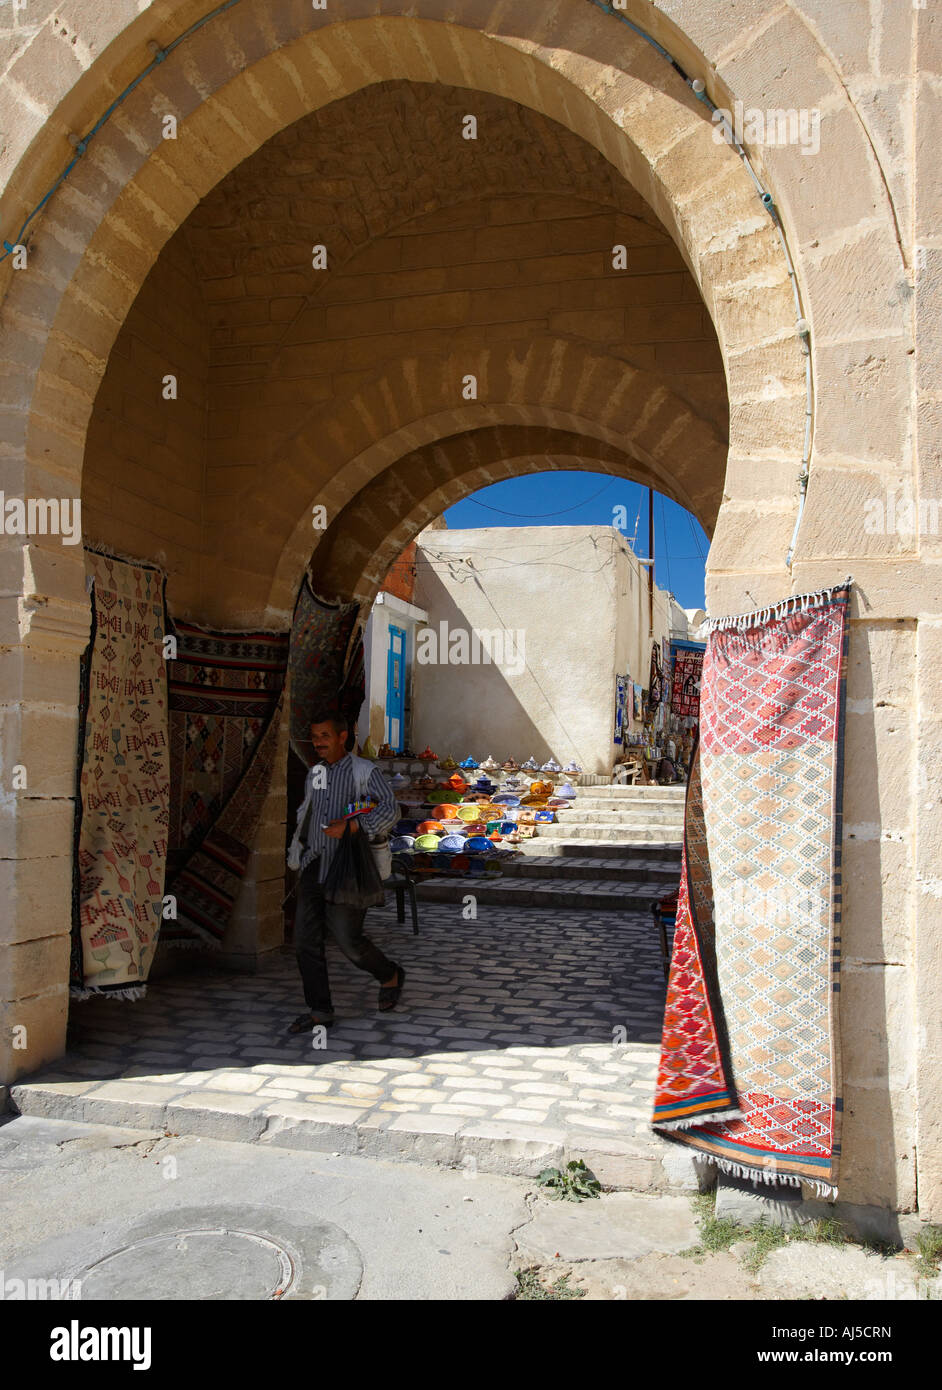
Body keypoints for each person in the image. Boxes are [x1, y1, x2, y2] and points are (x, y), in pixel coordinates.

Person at [285, 712, 403, 1033]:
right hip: (315, 864)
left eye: (325, 735)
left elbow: (391, 810)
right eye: (315, 736)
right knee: (305, 942)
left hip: (350, 867)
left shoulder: (365, 772)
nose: (318, 742)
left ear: (342, 737)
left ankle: (389, 974)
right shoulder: (315, 773)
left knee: (348, 941)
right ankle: (320, 1009)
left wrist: (352, 826)